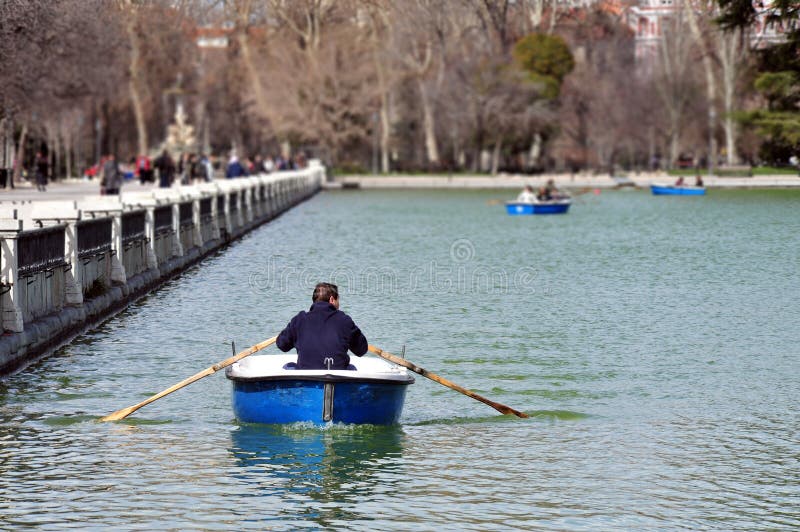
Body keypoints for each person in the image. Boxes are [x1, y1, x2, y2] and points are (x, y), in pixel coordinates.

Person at [277, 283, 368, 370]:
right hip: (338, 376)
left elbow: (282, 344)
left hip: (306, 376)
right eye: (338, 300)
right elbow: (362, 350)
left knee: (288, 366)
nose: (339, 304)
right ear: (332, 299)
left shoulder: (299, 319)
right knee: (352, 368)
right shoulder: (345, 320)